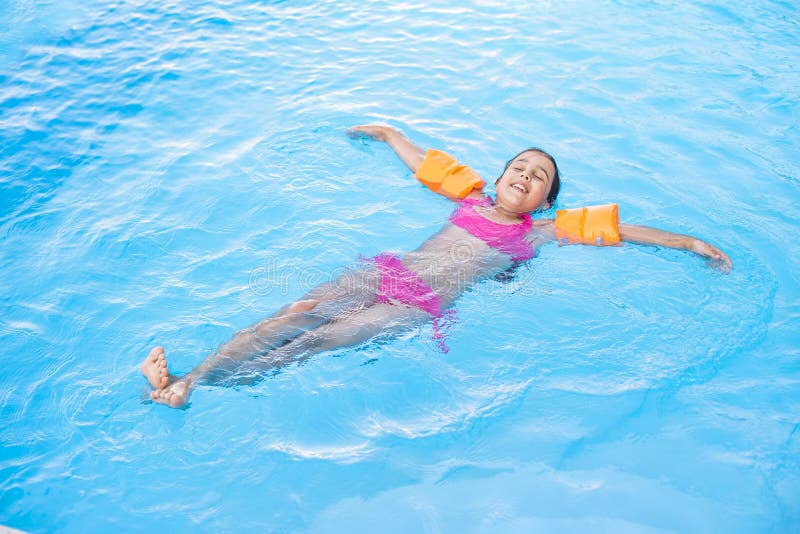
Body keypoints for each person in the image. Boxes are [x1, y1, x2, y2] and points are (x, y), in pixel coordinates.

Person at [141, 124, 732, 408]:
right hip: (383, 273)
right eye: (519, 167)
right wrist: (389, 133)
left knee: (316, 342)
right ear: (500, 175)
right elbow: (424, 163)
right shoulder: (469, 196)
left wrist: (690, 244)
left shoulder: (543, 231)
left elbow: (622, 229)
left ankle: (196, 390)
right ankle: (189, 379)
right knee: (294, 312)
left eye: (539, 178)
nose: (525, 176)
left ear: (546, 200)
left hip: (418, 304)